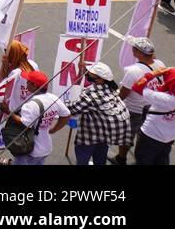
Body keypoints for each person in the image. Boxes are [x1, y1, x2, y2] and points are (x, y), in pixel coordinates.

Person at [65, 63, 130, 166]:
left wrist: (68, 100)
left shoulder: (91, 94)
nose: (87, 75)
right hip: (106, 134)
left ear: (100, 79)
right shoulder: (111, 88)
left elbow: (71, 109)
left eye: (89, 74)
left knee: (82, 155)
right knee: (100, 157)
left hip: (89, 134)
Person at [115, 35, 163, 165]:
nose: (132, 49)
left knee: (126, 137)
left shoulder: (133, 71)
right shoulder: (160, 64)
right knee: (145, 137)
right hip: (152, 108)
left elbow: (123, 94)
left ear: (138, 52)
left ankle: (121, 158)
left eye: (134, 48)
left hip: (133, 111)